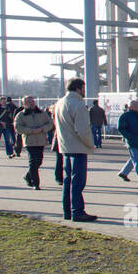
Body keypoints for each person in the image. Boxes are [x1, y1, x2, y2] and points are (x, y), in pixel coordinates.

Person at [53, 78, 96, 222]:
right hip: (78, 147)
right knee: (78, 181)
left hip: (65, 146)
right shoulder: (78, 105)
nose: (85, 91)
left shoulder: (60, 103)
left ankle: (68, 211)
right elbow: (82, 130)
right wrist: (90, 144)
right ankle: (77, 211)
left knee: (68, 180)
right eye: (83, 88)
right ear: (78, 89)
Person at [15, 96, 54, 189]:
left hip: (41, 140)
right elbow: (18, 128)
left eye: (32, 102)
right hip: (29, 141)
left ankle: (28, 176)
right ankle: (36, 183)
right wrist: (31, 131)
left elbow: (50, 124)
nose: (31, 103)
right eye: (28, 102)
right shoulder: (21, 115)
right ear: (24, 104)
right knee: (32, 161)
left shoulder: (42, 113)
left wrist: (42, 129)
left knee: (39, 161)